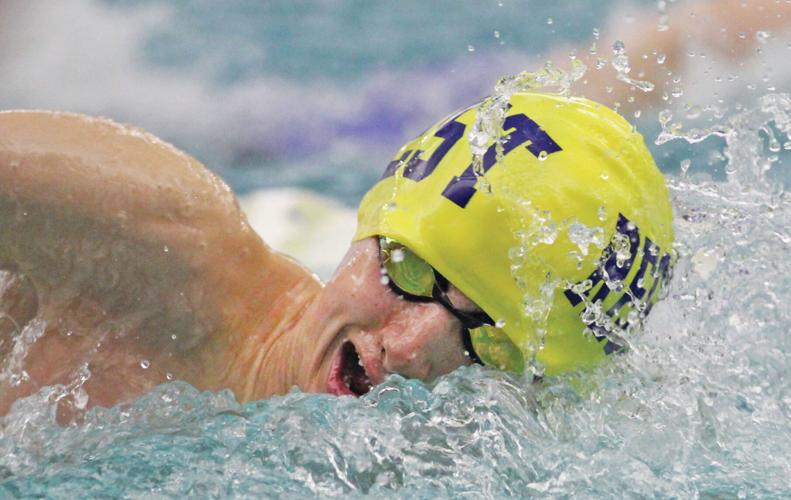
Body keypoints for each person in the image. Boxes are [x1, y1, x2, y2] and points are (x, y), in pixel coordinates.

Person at [0, 92, 673, 420]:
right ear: (371, 224)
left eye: (488, 341)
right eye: (410, 274)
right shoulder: (154, 231)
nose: (410, 348)